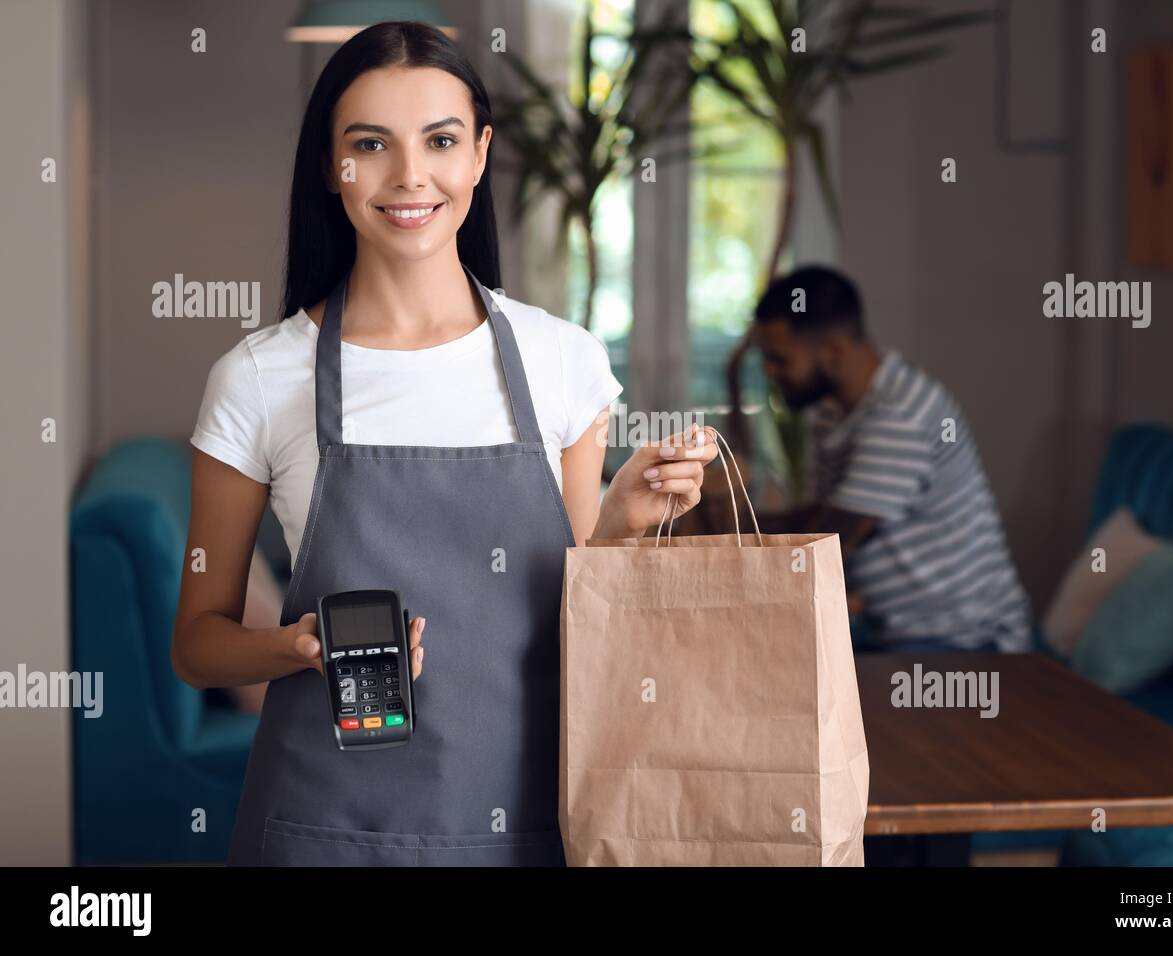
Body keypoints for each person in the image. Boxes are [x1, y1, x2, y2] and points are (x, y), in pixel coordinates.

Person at [171, 21, 715, 866]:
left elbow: (578, 616)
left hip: (528, 820)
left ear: (480, 154)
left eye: (441, 140)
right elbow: (198, 644)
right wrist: (295, 646)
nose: (410, 175)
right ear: (331, 165)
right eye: (371, 144)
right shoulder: (258, 377)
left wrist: (622, 523)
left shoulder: (561, 360)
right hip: (329, 829)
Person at [746, 265, 1031, 654]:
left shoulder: (900, 414)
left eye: (779, 359)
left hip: (966, 641)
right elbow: (828, 513)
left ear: (832, 351)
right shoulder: (835, 409)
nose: (768, 371)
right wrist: (740, 524)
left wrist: (728, 550)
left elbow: (830, 539)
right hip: (889, 630)